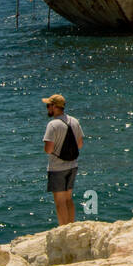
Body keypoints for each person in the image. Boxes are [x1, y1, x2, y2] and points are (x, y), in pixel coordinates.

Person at [42, 94, 83, 226]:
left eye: (48, 105)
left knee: (59, 201)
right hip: (72, 165)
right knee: (68, 199)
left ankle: (63, 228)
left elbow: (48, 149)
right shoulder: (74, 121)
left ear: (54, 107)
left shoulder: (52, 125)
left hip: (57, 167)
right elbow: (80, 144)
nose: (47, 108)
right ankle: (71, 226)